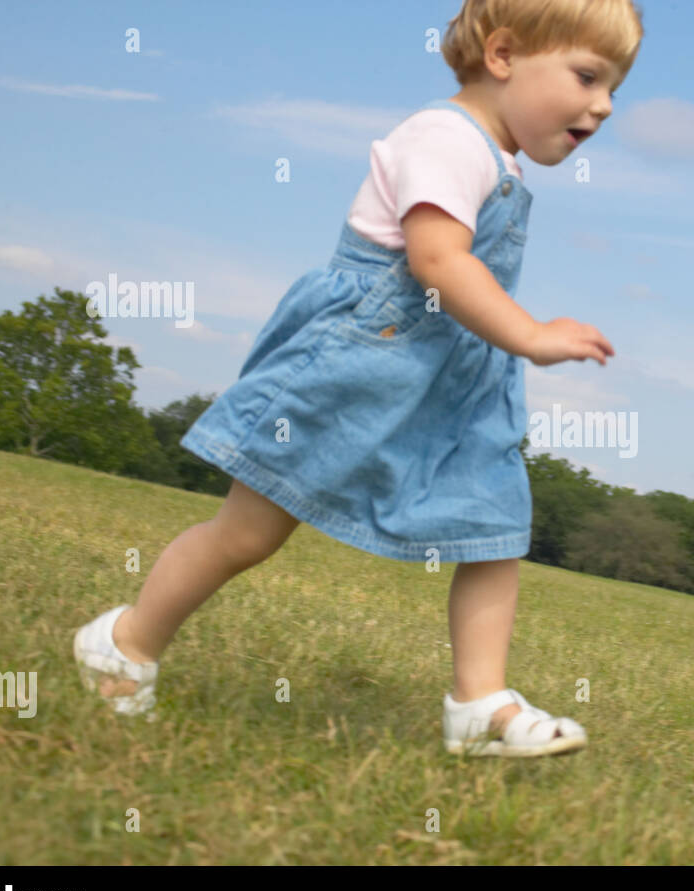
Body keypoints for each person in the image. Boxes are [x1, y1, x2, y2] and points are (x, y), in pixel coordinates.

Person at [73, 0, 643, 757]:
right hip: (364, 359)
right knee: (247, 533)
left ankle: (480, 703)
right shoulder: (446, 138)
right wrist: (529, 334)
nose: (603, 106)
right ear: (503, 54)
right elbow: (436, 261)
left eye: (614, 89)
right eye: (587, 77)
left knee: (491, 531)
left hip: (457, 381)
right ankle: (126, 640)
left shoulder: (497, 160)